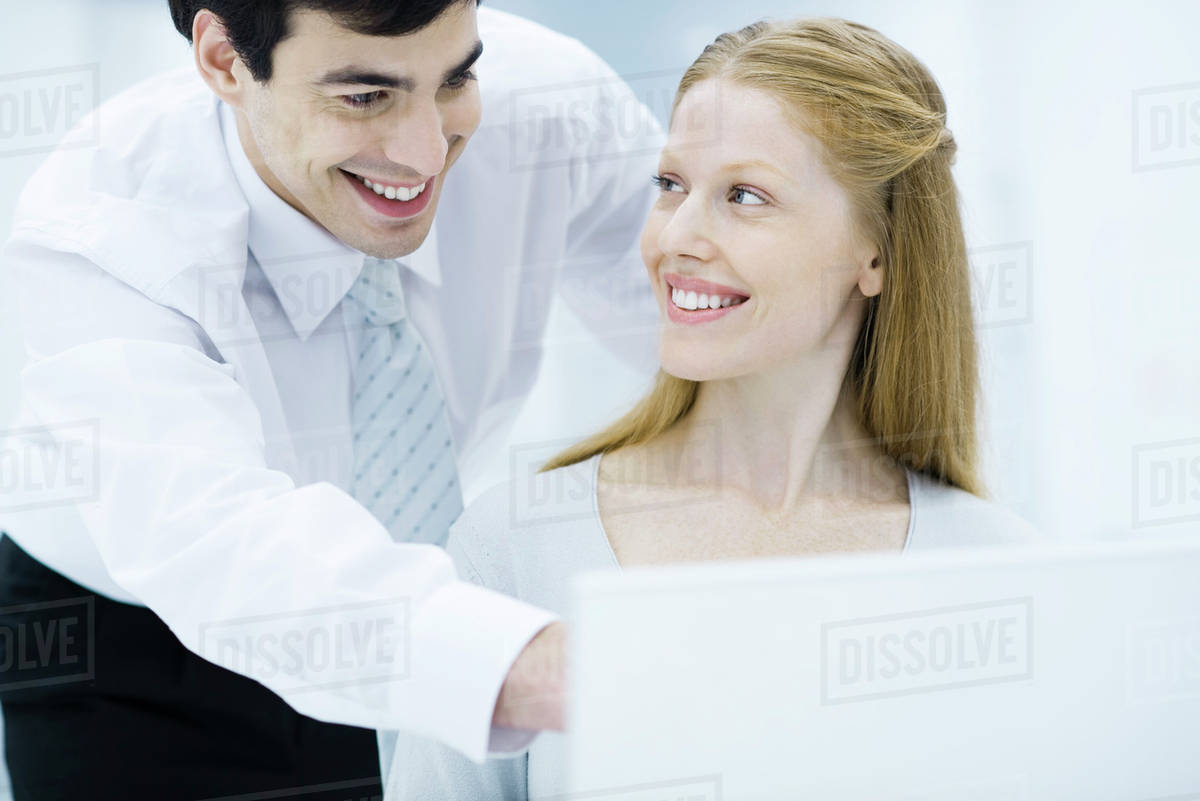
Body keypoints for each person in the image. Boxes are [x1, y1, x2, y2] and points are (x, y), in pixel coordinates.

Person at [0, 1, 662, 798]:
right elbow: (220, 545)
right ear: (224, 60)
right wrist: (554, 672)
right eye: (364, 97)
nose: (427, 153)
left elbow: (713, 307)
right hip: (142, 658)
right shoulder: (101, 235)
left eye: (455, 80)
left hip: (434, 609)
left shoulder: (550, 105)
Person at [378, 16, 1040, 800]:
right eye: (670, 185)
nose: (676, 237)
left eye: (745, 195)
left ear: (877, 250)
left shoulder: (1000, 570)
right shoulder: (511, 549)